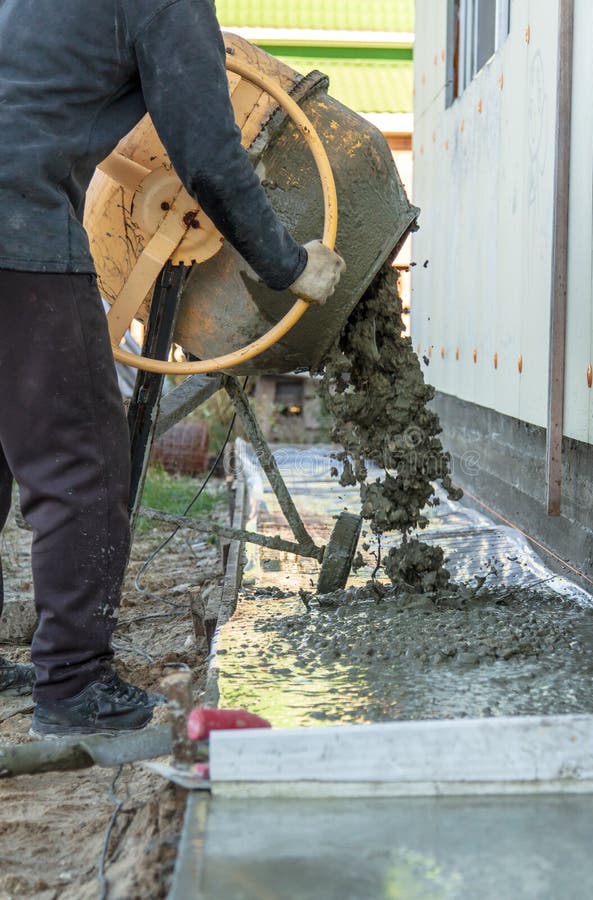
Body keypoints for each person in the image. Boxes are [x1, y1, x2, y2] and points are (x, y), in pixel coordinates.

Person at [0, 0, 345, 736]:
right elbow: (210, 158)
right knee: (82, 466)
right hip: (17, 231)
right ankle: (73, 687)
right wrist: (287, 265)